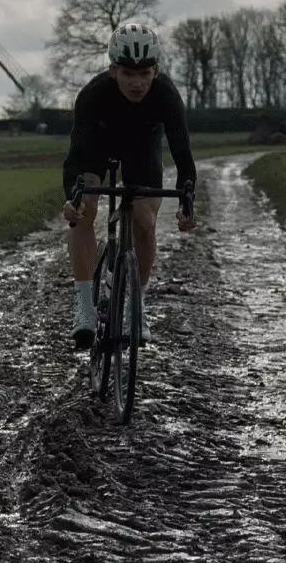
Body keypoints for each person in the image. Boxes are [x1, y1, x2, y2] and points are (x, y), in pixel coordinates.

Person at [61, 22, 198, 347]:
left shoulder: (166, 95)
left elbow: (182, 153)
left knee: (145, 222)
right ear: (112, 71)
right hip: (98, 145)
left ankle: (137, 305)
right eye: (127, 74)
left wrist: (187, 203)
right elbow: (77, 155)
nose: (137, 82)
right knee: (84, 211)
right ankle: (85, 309)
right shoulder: (93, 95)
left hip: (142, 149)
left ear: (157, 70)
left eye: (145, 73)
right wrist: (73, 198)